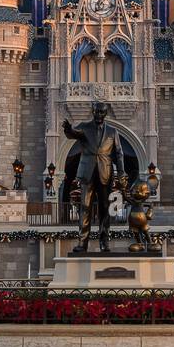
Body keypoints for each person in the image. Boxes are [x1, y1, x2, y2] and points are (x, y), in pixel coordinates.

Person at [63, 104, 126, 254]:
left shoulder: (112, 131)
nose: (99, 114)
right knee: (85, 207)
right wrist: (68, 129)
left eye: (102, 112)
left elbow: (119, 153)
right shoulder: (84, 127)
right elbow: (73, 133)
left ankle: (104, 242)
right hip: (87, 173)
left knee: (105, 209)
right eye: (97, 111)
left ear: (105, 113)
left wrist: (122, 172)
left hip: (105, 173)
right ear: (93, 112)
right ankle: (82, 243)